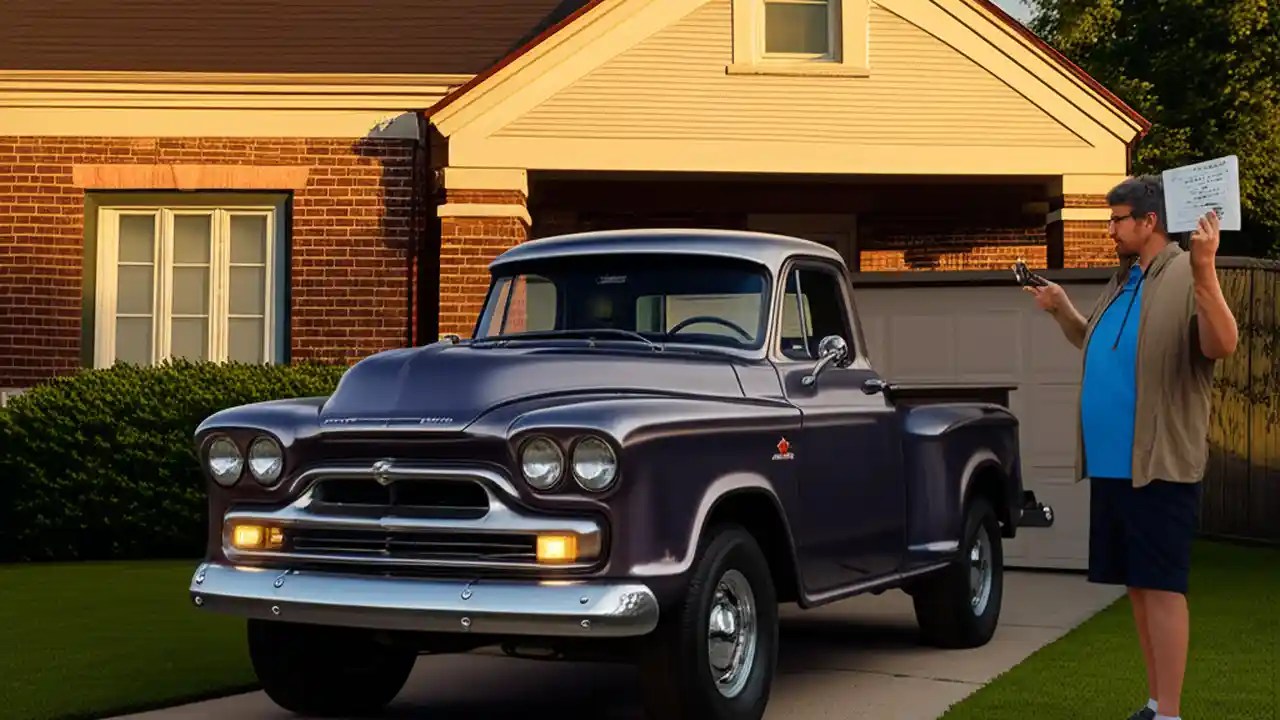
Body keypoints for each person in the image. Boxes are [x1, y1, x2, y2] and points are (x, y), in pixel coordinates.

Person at [1024, 174, 1238, 720]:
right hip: (1115, 464)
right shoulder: (1124, 281)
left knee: (1162, 588)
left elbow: (1222, 344)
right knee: (1139, 588)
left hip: (1160, 463)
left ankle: (1170, 713)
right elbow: (1096, 342)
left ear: (1149, 222)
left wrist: (1207, 269)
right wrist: (1062, 308)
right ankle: (1154, 703)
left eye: (1118, 219)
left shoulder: (1186, 276)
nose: (1110, 229)